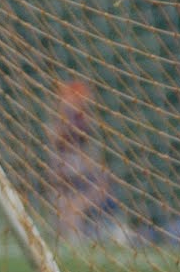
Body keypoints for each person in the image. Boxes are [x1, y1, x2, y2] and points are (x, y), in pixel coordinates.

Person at [46, 79, 123, 242]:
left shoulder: (83, 120)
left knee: (82, 200)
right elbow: (55, 140)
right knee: (67, 204)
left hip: (80, 173)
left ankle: (83, 234)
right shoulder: (61, 121)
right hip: (67, 171)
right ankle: (72, 234)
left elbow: (90, 154)